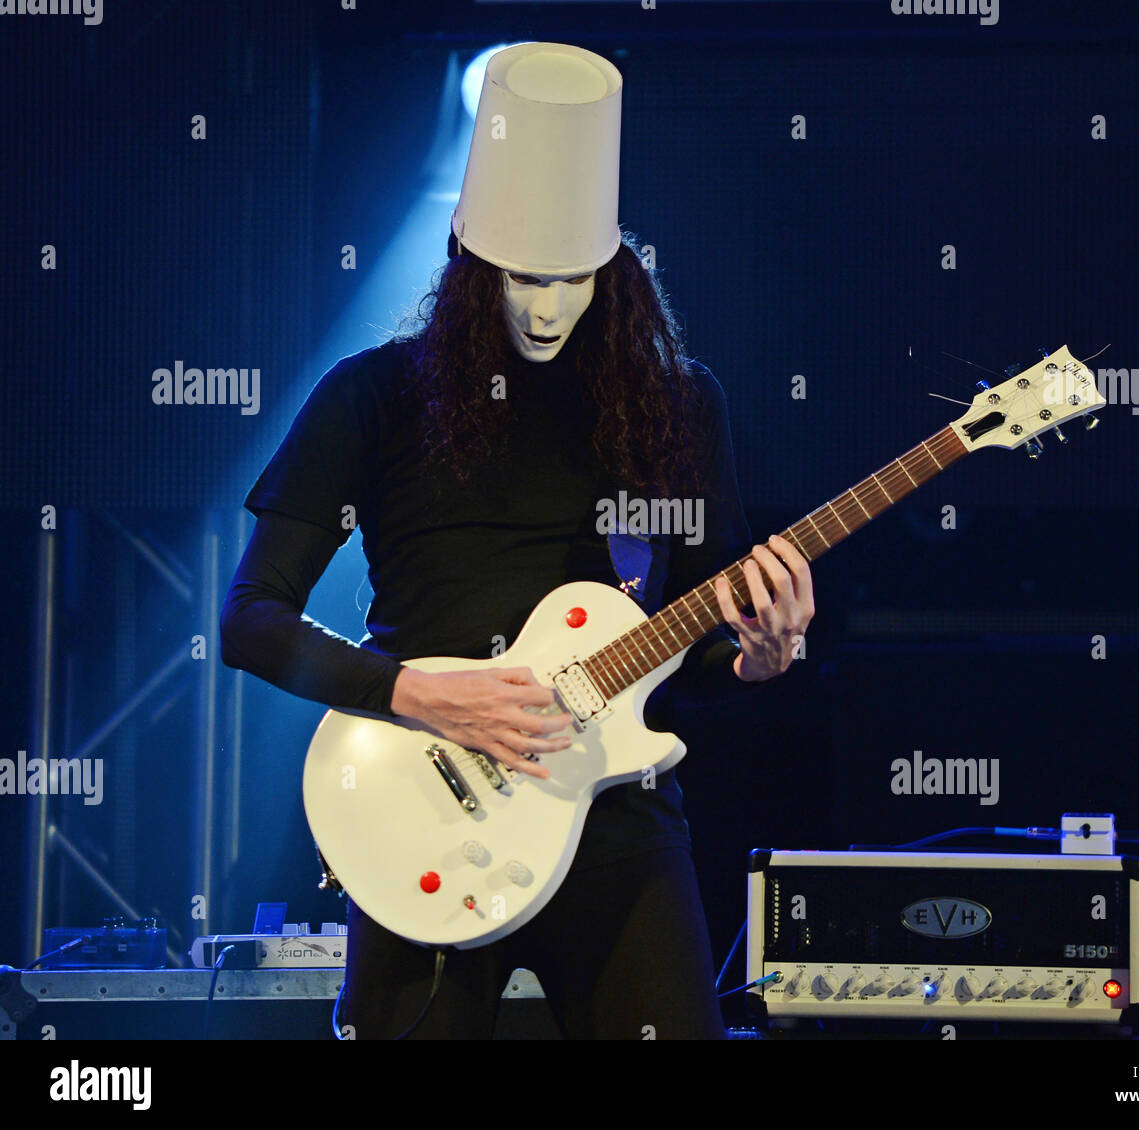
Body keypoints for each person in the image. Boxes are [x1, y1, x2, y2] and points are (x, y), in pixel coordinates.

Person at [219, 42, 813, 1039]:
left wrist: (759, 655)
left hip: (615, 819)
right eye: (519, 277)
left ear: (612, 270)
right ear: (466, 259)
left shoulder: (676, 403)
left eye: (572, 279)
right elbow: (250, 620)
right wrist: (412, 690)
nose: (543, 307)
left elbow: (696, 644)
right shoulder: (372, 396)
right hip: (430, 798)